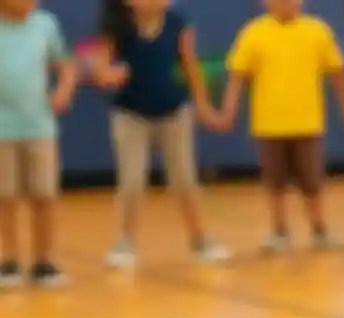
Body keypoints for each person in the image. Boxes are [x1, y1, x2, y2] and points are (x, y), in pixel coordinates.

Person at [93, 0, 228, 269]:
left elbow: (191, 66)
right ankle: (125, 243)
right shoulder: (118, 26)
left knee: (184, 180)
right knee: (131, 181)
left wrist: (202, 105)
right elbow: (100, 67)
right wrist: (107, 75)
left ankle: (200, 239)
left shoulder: (177, 23)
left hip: (174, 113)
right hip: (130, 115)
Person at [218, 0, 344, 253]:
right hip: (269, 125)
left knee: (312, 180)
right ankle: (279, 230)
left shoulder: (317, 30)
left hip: (307, 124)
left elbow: (336, 71)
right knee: (275, 182)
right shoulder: (254, 32)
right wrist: (230, 107)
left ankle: (319, 229)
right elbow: (237, 74)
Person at [0, 0, 77, 289]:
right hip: (2, 129)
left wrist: (63, 90)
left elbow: (65, 64)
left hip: (39, 126)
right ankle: (8, 260)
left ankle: (44, 261)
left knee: (44, 194)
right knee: (4, 197)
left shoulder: (45, 24)